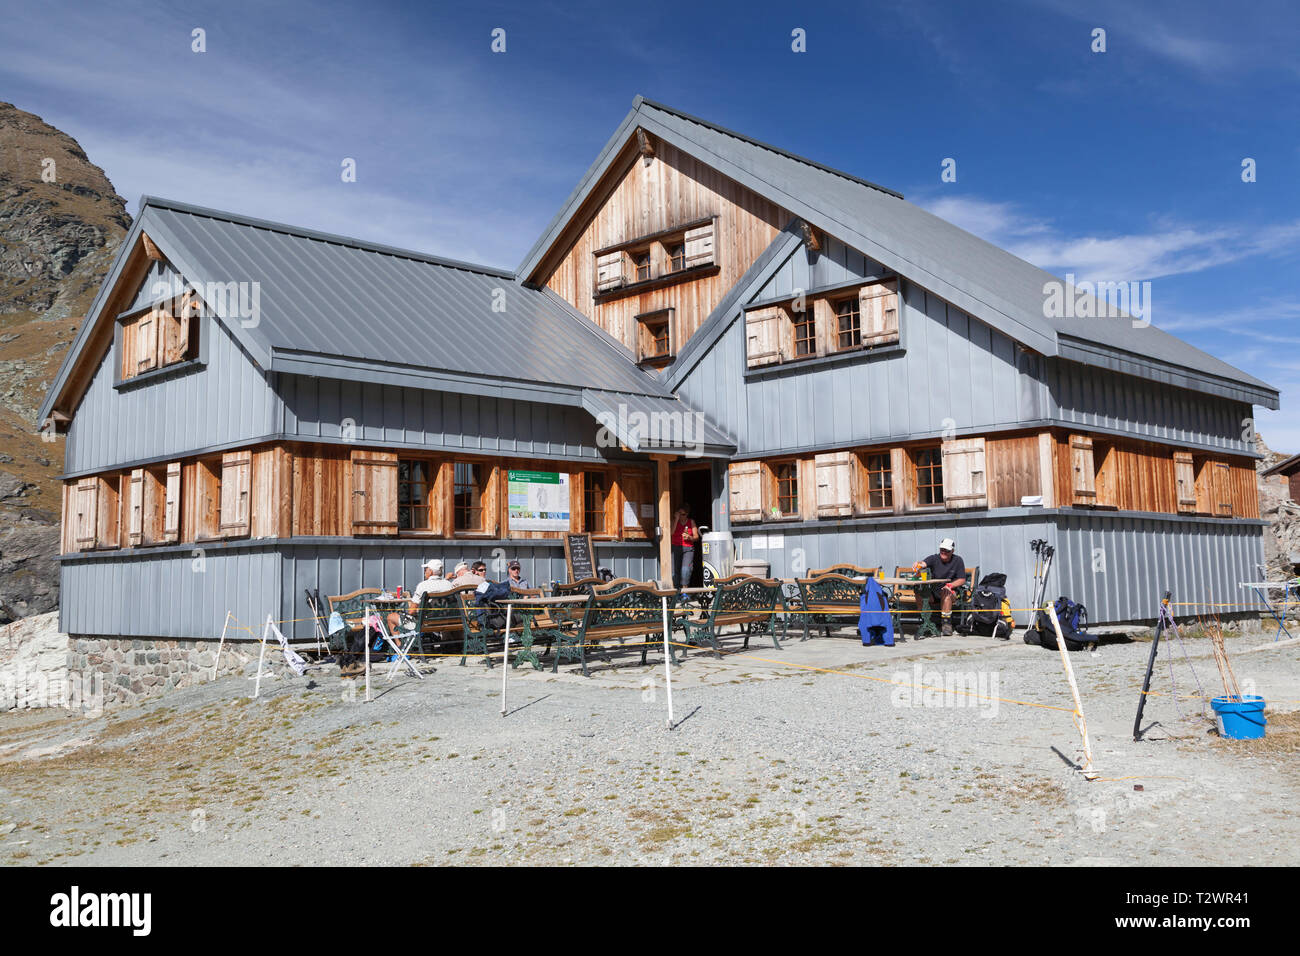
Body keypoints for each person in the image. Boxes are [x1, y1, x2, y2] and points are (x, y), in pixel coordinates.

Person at [912, 537, 967, 636]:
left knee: (946, 593)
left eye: (947, 550)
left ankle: (946, 624)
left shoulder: (958, 560)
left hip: (951, 592)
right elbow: (923, 564)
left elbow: (962, 579)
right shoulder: (934, 558)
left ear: (952, 551)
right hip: (933, 592)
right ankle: (925, 621)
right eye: (942, 549)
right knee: (919, 594)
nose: (944, 552)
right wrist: (918, 564)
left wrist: (949, 585)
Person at [386, 558, 452, 632]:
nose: (424, 571)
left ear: (430, 572)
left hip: (425, 623)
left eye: (426, 569)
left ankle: (399, 644)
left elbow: (411, 611)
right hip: (446, 621)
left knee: (391, 617)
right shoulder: (449, 585)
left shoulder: (423, 586)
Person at [671, 507, 700, 590]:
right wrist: (676, 520)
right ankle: (676, 591)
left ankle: (684, 591)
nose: (681, 516)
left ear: (687, 514)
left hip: (688, 548)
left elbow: (696, 537)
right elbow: (671, 532)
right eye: (679, 514)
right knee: (674, 571)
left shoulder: (691, 522)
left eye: (683, 514)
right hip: (676, 547)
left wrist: (689, 538)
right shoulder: (674, 521)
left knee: (685, 570)